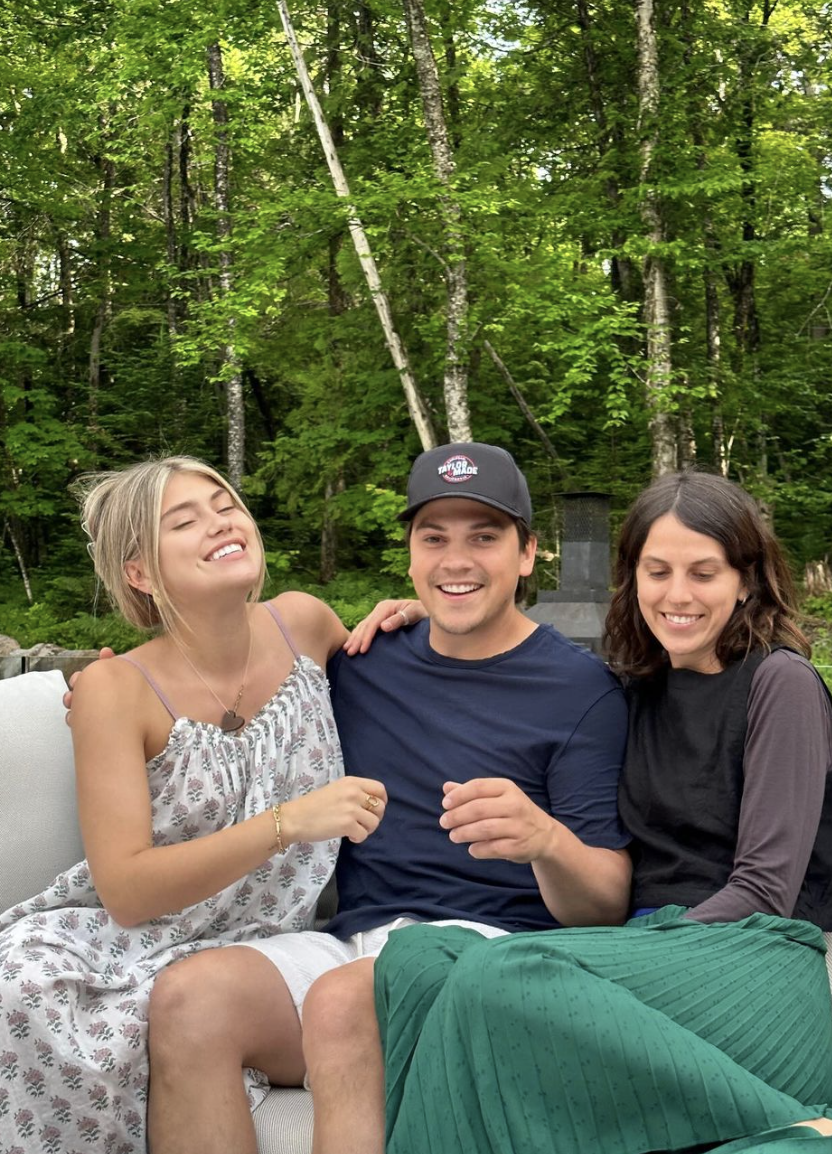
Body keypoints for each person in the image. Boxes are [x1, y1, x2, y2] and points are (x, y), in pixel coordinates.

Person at [109, 441, 631, 1154]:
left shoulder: (580, 690)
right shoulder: (361, 660)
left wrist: (546, 839)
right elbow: (221, 667)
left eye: (485, 537)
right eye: (434, 537)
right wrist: (113, 683)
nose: (456, 561)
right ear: (411, 554)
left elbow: (606, 902)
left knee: (347, 1000)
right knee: (189, 997)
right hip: (350, 940)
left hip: (487, 960)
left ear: (528, 552)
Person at [370, 469, 832, 1154]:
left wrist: (609, 951)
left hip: (758, 959)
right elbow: (521, 657)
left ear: (746, 580)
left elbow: (763, 891)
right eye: (658, 571)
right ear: (632, 578)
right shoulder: (633, 687)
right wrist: (424, 614)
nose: (677, 595)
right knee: (415, 957)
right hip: (653, 957)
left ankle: (783, 1119)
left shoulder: (780, 683)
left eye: (703, 573)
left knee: (504, 975)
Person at [0, 456, 387, 1154]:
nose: (221, 523)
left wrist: (416, 613)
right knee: (25, 986)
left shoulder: (306, 623)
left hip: (260, 950)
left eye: (224, 505)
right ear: (140, 572)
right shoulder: (117, 689)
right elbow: (124, 890)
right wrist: (285, 824)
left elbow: (405, 659)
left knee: (197, 1006)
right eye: (185, 521)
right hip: (119, 941)